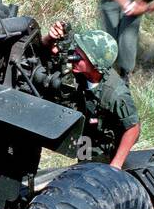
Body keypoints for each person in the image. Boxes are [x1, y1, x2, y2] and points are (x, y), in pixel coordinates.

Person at [46, 21, 141, 170]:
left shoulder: (115, 94)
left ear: (96, 65)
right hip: (86, 133)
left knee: (93, 172)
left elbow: (133, 128)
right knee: (82, 165)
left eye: (79, 58)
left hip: (103, 144)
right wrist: (51, 37)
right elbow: (53, 50)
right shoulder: (82, 59)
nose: (73, 59)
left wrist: (116, 165)